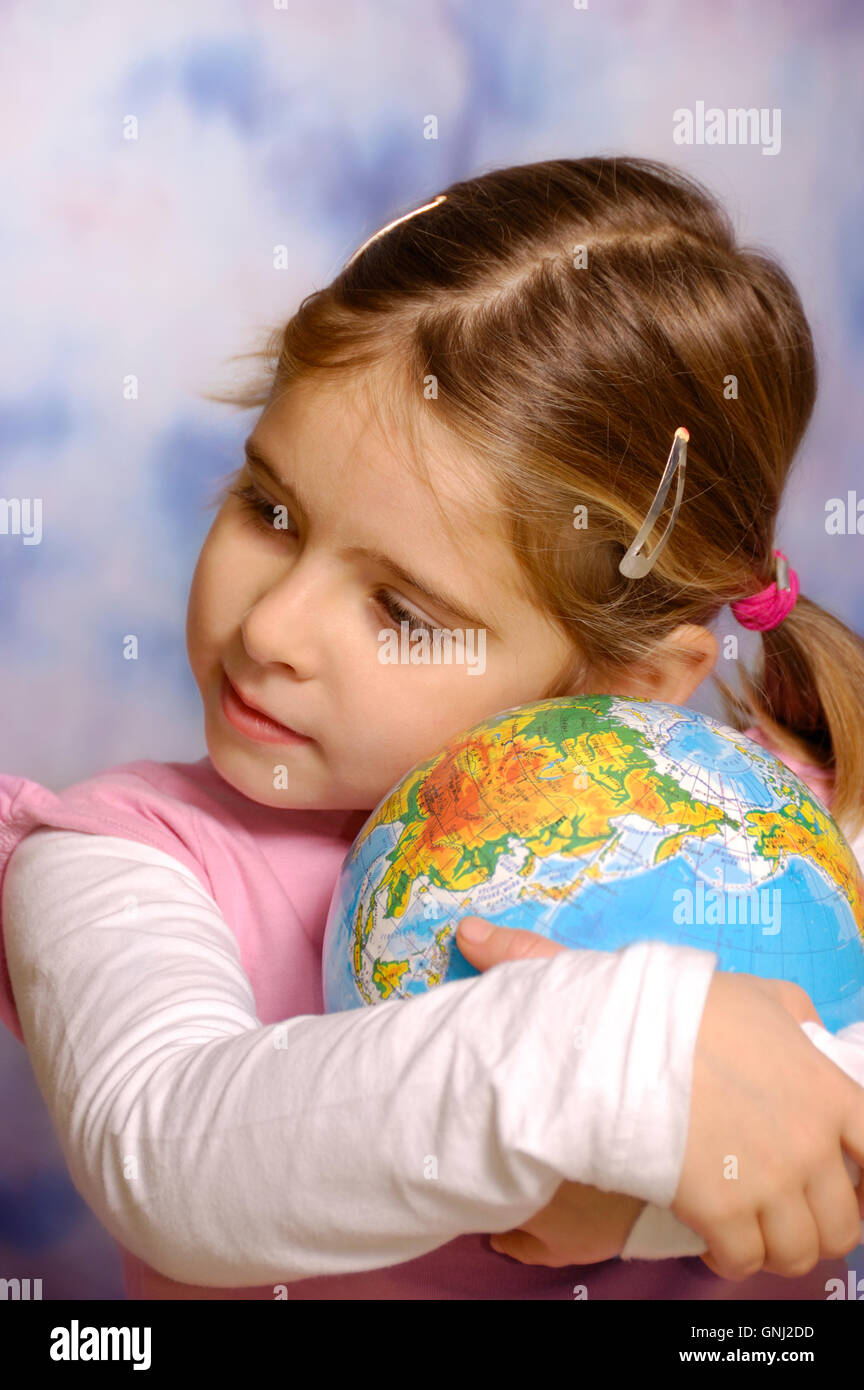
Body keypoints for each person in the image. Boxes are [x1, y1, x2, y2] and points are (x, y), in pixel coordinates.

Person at [2, 155, 864, 1302]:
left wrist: (654, 1199)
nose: (273, 626)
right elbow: (167, 1157)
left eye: (401, 610)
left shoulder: (758, 850)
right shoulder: (117, 858)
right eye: (272, 509)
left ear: (625, 680)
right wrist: (612, 1061)